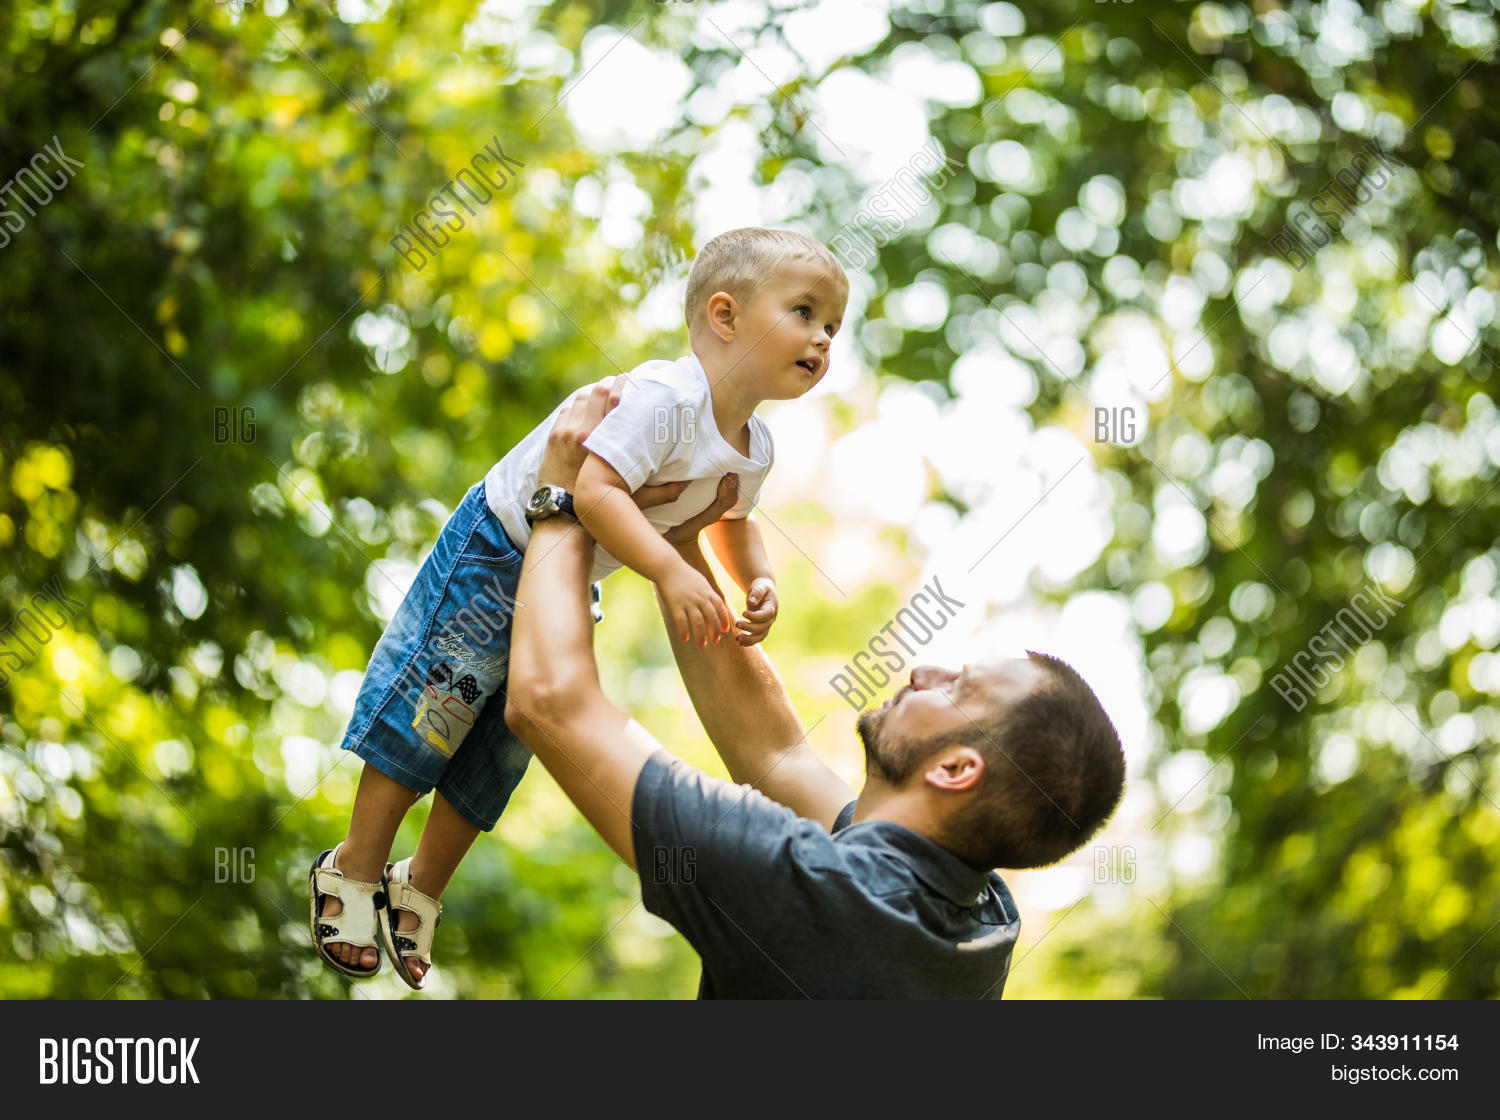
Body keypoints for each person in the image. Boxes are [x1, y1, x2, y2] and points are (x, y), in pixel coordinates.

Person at [309, 228, 850, 987]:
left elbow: (730, 519)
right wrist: (668, 571)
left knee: (504, 743)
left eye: (833, 325)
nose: (823, 338)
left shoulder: (754, 446)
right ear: (724, 315)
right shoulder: (666, 398)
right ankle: (356, 862)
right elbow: (590, 489)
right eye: (805, 312)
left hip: (567, 574)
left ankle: (420, 883)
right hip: (500, 542)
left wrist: (753, 581)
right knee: (438, 706)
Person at [503, 381, 1129, 998]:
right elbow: (776, 754)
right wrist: (681, 542)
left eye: (960, 686)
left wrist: (559, 497)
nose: (923, 672)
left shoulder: (816, 891)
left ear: (959, 768)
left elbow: (548, 702)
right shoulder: (979, 917)